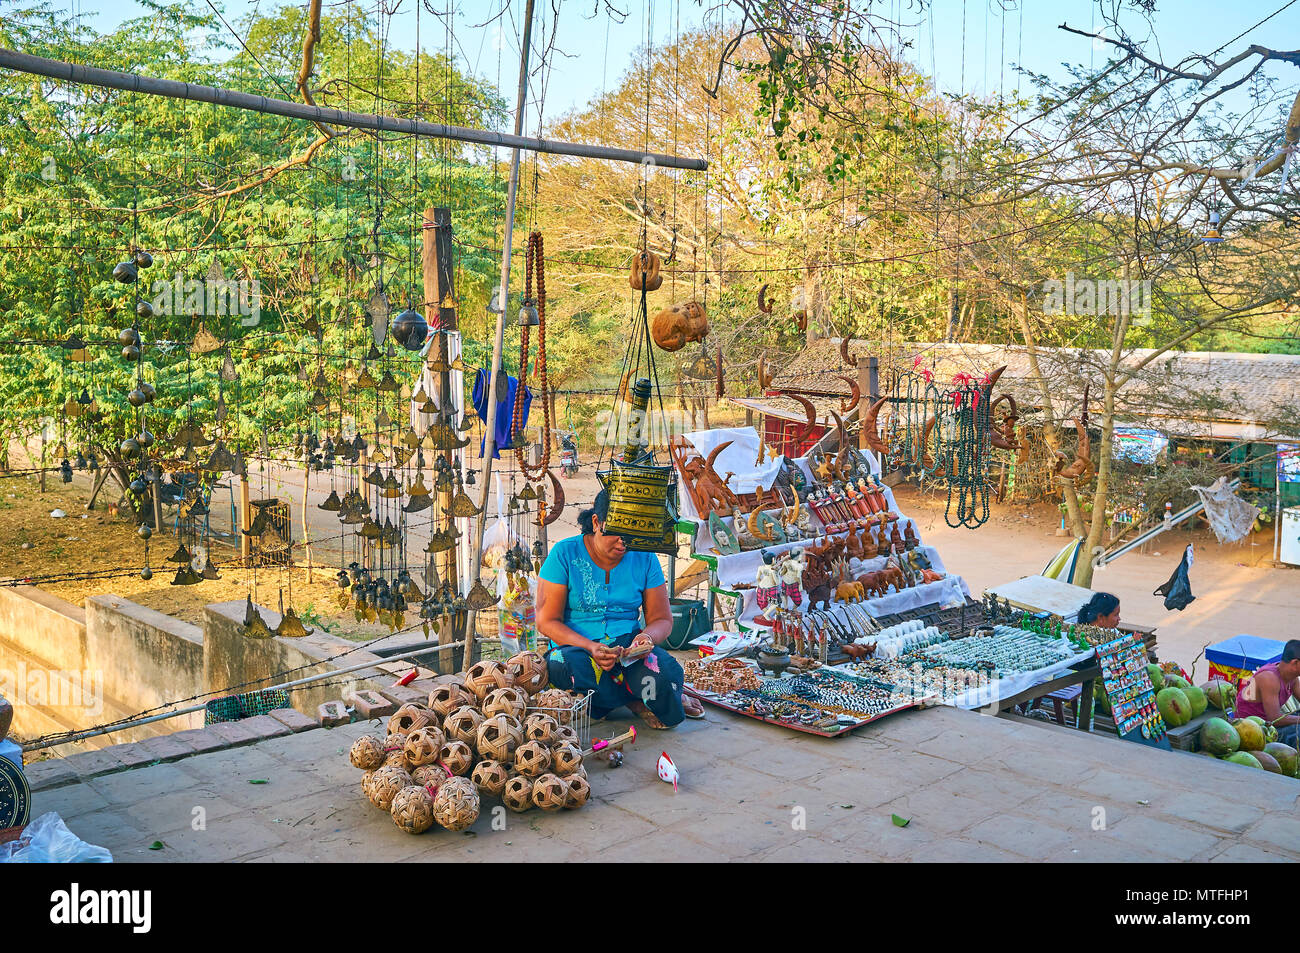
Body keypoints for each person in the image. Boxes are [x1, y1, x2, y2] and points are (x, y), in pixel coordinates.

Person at [536, 490, 704, 728]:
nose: (623, 543)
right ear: (596, 522)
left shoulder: (644, 558)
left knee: (665, 675)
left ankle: (617, 700)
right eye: (616, 534)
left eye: (630, 535)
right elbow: (546, 621)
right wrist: (592, 647)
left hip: (628, 647)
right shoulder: (564, 554)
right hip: (577, 647)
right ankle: (634, 701)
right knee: (564, 667)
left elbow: (662, 620)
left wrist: (645, 638)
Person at [1235, 640, 1300, 746]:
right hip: (1251, 731)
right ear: (1295, 663)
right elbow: (1274, 719)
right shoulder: (1269, 679)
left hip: (1269, 724)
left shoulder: (1293, 678)